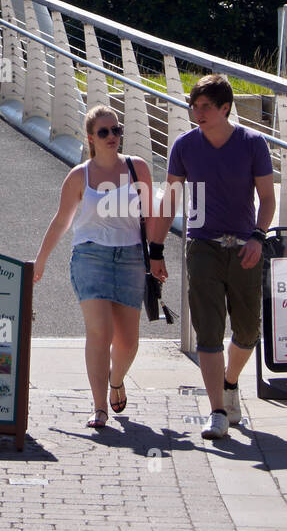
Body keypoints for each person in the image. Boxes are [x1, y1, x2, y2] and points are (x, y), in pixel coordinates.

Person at [152, 73, 275, 441]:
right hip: (202, 245)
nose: (197, 112)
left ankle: (230, 382)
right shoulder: (185, 146)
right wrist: (155, 251)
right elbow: (170, 199)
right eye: (194, 105)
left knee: (248, 331)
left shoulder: (253, 143)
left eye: (206, 106)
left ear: (225, 108)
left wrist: (257, 236)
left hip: (244, 246)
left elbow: (267, 199)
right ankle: (217, 410)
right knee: (208, 330)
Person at [33, 105, 155, 429]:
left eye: (116, 130)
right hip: (90, 258)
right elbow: (62, 221)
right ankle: (99, 406)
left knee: (128, 341)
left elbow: (152, 215)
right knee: (101, 331)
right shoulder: (79, 176)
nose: (112, 136)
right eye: (104, 132)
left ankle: (117, 380)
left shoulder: (137, 168)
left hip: (130, 257)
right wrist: (40, 260)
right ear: (91, 138)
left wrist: (156, 257)